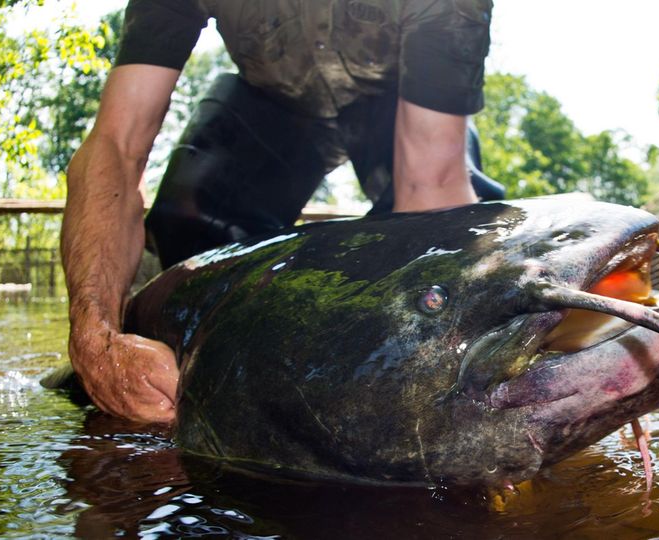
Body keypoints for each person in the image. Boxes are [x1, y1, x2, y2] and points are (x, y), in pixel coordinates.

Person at [60, 0, 502, 424]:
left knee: (441, 245)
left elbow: (429, 184)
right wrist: (93, 337)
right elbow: (116, 147)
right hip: (270, 107)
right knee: (187, 229)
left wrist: (436, 382)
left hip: (398, 105)